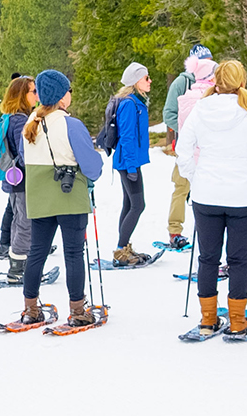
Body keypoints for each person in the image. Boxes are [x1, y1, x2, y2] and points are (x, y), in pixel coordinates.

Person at [175, 59, 247, 338]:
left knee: (207, 258)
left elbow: (183, 151)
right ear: (242, 82)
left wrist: (195, 177)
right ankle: (237, 321)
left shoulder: (201, 110)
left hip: (206, 193)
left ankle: (208, 320)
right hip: (245, 196)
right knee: (239, 259)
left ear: (216, 82)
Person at [16, 68, 107, 330]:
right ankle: (78, 311)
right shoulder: (70, 124)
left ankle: (31, 309)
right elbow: (92, 168)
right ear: (62, 96)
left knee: (37, 253)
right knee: (73, 254)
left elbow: (25, 160)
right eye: (69, 90)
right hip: (70, 196)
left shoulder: (29, 124)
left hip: (39, 197)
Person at [160, 43, 212, 250]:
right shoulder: (182, 83)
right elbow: (168, 114)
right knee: (182, 188)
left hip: (208, 149)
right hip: (187, 148)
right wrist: (187, 129)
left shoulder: (215, 82)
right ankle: (175, 231)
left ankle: (208, 231)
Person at [105, 62, 155, 265]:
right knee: (138, 205)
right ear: (136, 81)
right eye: (146, 78)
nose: (150, 81)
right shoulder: (128, 104)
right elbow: (127, 138)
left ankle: (123, 247)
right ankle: (120, 250)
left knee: (129, 204)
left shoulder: (134, 101)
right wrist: (132, 167)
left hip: (129, 162)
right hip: (127, 163)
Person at [0, 75, 36, 281]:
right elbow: (24, 154)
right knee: (25, 222)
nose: (37, 95)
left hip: (14, 179)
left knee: (19, 219)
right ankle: (18, 269)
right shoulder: (20, 120)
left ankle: (17, 261)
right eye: (33, 91)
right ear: (23, 95)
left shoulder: (11, 118)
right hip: (22, 179)